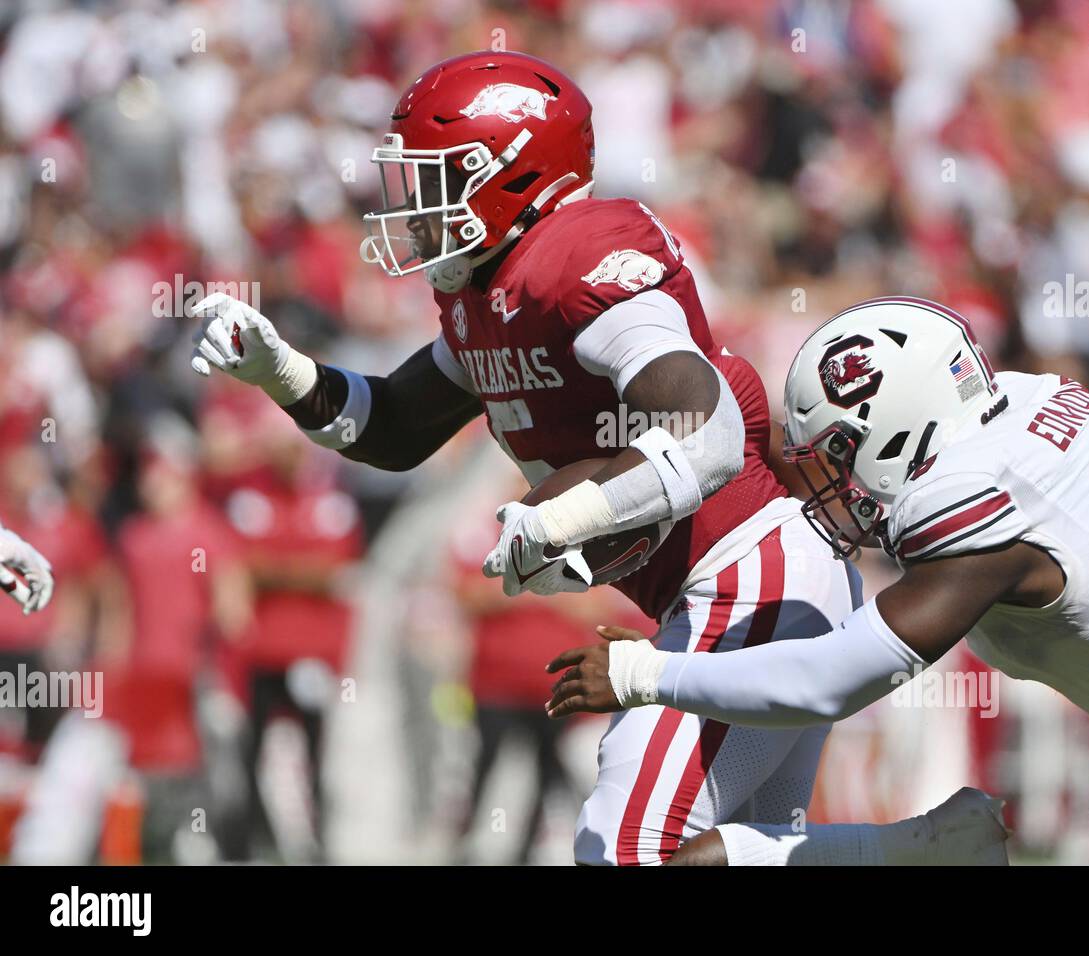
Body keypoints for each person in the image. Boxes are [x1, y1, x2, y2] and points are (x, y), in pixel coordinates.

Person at [187, 53, 1004, 865]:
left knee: (622, 848)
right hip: (736, 584)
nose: (413, 209)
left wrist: (561, 519)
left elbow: (706, 434)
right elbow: (393, 429)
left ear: (507, 174)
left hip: (748, 574)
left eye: (434, 180)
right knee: (705, 856)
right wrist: (280, 372)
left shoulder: (576, 259)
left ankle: (917, 854)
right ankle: (923, 853)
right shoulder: (486, 296)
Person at [547, 296, 1089, 867]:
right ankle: (922, 848)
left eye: (841, 453)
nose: (835, 485)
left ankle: (922, 850)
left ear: (898, 424)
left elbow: (827, 681)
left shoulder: (978, 510)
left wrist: (647, 673)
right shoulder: (1029, 407)